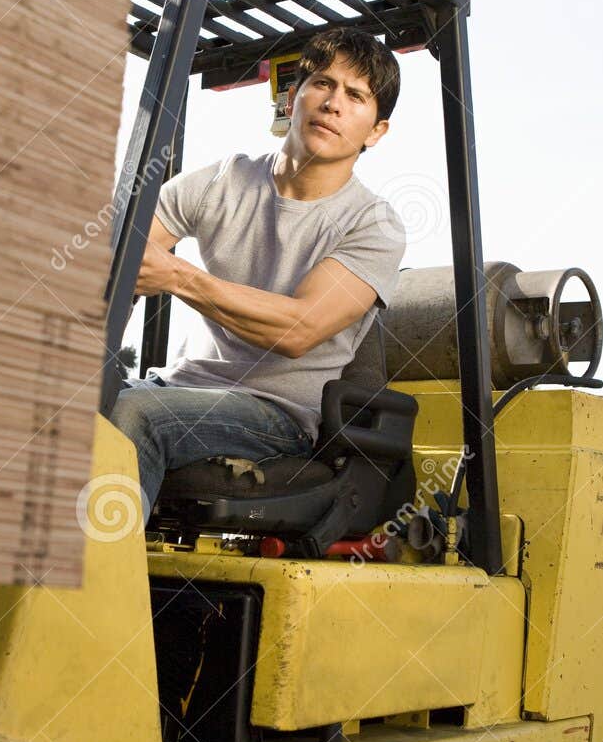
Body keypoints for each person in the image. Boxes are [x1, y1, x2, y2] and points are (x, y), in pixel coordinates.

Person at [109, 26, 407, 522]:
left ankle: (90, 594)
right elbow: (122, 255)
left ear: (376, 131)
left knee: (132, 416)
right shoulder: (225, 180)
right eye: (323, 84)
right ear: (294, 95)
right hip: (180, 385)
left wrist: (179, 277)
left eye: (356, 96)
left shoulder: (372, 224)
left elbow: (297, 329)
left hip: (276, 415)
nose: (334, 103)